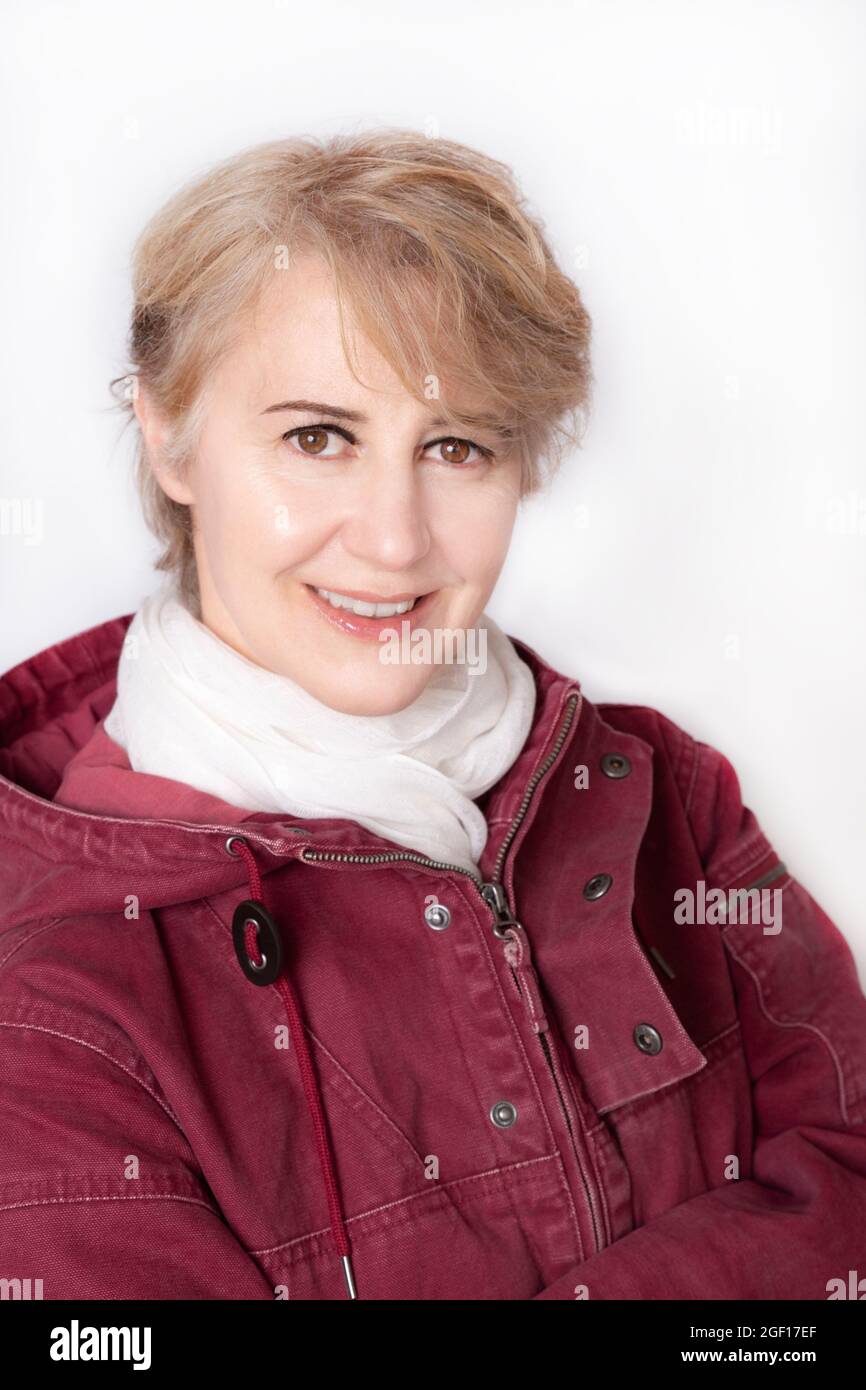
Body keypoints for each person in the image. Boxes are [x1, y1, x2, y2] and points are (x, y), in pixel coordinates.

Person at [1, 129, 864, 1302]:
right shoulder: (48, 988)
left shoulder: (658, 791)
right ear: (171, 437)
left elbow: (847, 1187)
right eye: (317, 437)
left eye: (455, 446)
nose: (394, 539)